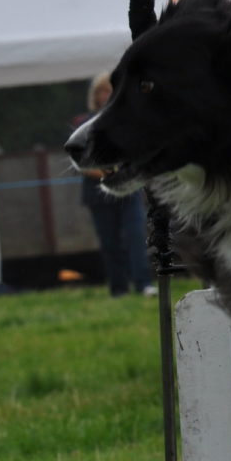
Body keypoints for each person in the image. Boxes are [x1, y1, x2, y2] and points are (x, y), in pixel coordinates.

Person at [74, 73, 155, 296]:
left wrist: (126, 173)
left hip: (129, 191)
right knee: (110, 242)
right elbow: (80, 161)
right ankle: (118, 288)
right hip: (98, 192)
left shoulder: (129, 120)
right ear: (95, 96)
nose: (107, 94)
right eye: (102, 91)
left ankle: (143, 283)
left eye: (111, 89)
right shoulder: (84, 124)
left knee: (136, 236)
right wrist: (109, 173)